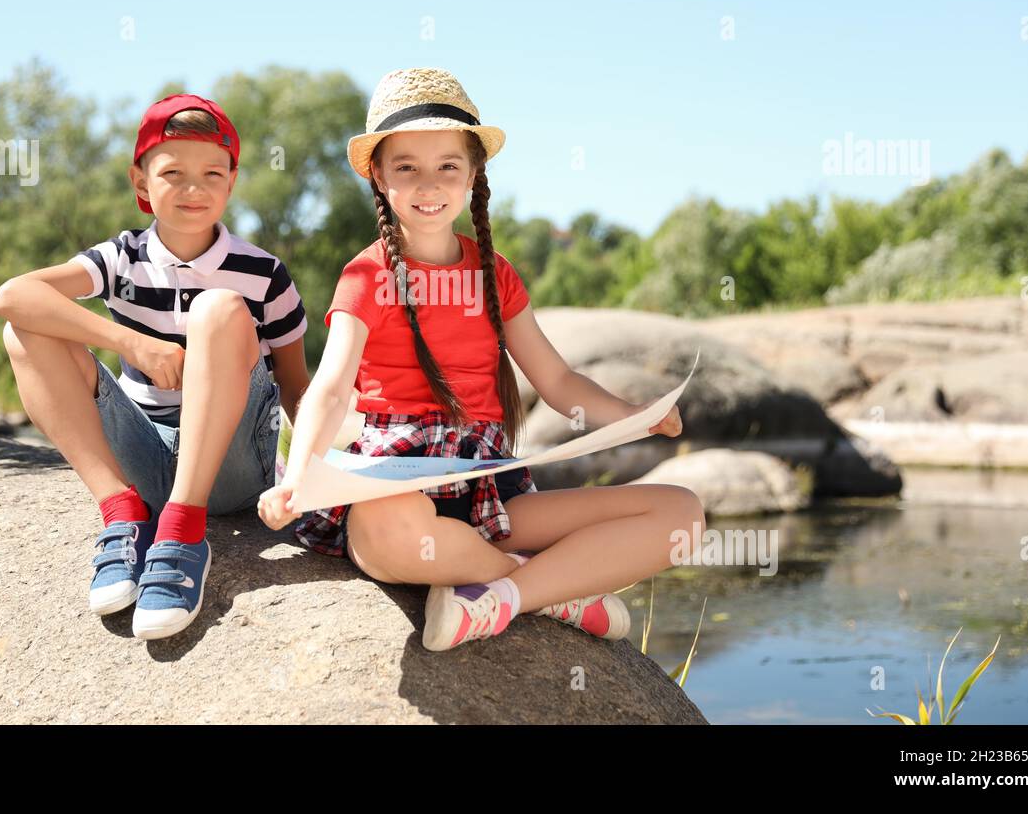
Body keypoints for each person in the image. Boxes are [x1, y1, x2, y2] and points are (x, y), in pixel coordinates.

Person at [258, 68, 704, 651]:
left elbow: (558, 379)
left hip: (490, 490)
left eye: (448, 165)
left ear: (473, 174)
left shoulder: (495, 275)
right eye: (407, 167)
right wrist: (299, 476)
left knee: (682, 515)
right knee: (389, 533)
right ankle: (551, 587)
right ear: (379, 176)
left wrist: (631, 414)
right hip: (399, 482)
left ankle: (499, 597)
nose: (429, 183)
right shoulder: (366, 276)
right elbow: (332, 386)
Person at [0, 94, 309, 640]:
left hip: (233, 469)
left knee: (219, 307)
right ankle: (122, 516)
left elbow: (296, 388)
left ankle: (186, 534)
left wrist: (312, 481)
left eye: (213, 172)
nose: (195, 188)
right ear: (140, 182)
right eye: (173, 173)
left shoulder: (264, 274)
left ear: (232, 182)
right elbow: (12, 295)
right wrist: (131, 343)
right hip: (144, 457)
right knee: (24, 328)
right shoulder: (122, 258)